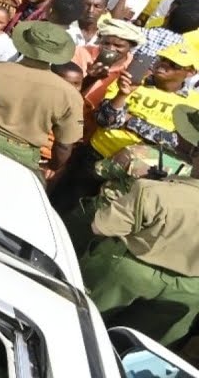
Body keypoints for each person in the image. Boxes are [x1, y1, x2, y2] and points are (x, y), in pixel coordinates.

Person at [81, 104, 199, 347]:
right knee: (134, 351)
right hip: (189, 292)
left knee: (80, 325)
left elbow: (100, 227)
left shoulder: (154, 191)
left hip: (128, 272)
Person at [0, 21, 82, 177]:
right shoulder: (70, 95)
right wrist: (52, 165)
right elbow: (64, 147)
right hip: (22, 158)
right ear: (59, 53)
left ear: (24, 43)